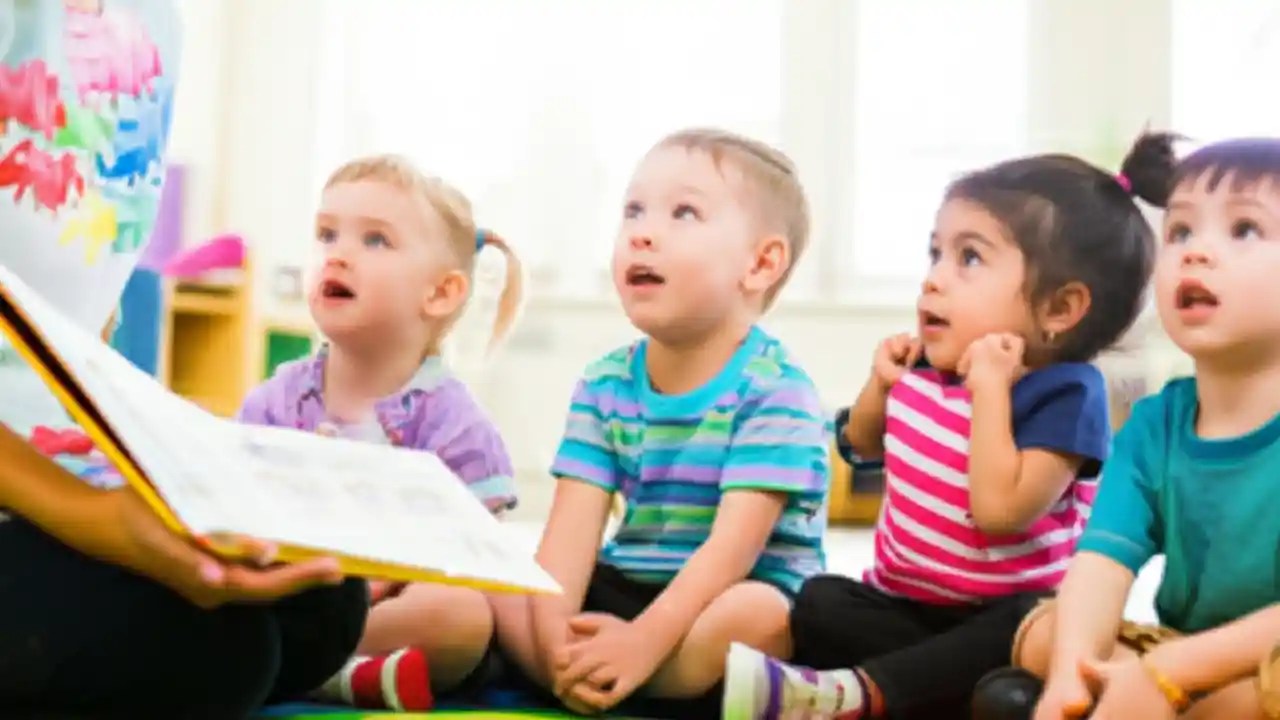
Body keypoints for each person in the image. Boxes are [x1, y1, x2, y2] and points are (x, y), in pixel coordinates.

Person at [721, 132, 1178, 720]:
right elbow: (857, 447)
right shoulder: (928, 366)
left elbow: (999, 511)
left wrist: (989, 391)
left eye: (969, 259)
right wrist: (879, 388)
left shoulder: (1067, 394)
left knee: (1030, 629)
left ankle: (864, 693)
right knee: (817, 601)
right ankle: (919, 689)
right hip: (904, 604)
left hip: (1004, 621)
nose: (934, 279)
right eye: (934, 253)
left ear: (1059, 309)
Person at [0, 2, 367, 718]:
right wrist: (98, 520)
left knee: (322, 603)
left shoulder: (154, 23)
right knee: (211, 653)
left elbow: (78, 318)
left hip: (45, 462)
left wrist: (181, 469)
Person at [489, 128, 830, 718]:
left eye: (684, 213)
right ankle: (588, 675)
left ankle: (638, 677)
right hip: (628, 586)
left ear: (760, 263)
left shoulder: (777, 389)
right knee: (499, 583)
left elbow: (730, 553)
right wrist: (555, 646)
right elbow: (566, 544)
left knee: (758, 617)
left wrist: (645, 643)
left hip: (718, 596)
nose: (642, 233)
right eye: (633, 211)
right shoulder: (604, 384)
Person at [974, 137, 1280, 720]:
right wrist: (1069, 676)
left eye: (1244, 230)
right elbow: (1101, 563)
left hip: (1256, 660)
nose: (1195, 253)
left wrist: (1168, 674)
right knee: (1045, 631)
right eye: (1181, 233)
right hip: (1186, 653)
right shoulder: (1155, 425)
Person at [237, 154, 524, 712]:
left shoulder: (455, 425)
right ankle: (337, 672)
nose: (337, 254)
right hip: (294, 594)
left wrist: (383, 589)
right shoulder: (277, 399)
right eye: (326, 234)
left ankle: (310, 668)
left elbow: (476, 559)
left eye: (375, 241)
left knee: (462, 616)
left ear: (440, 293)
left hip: (390, 607)